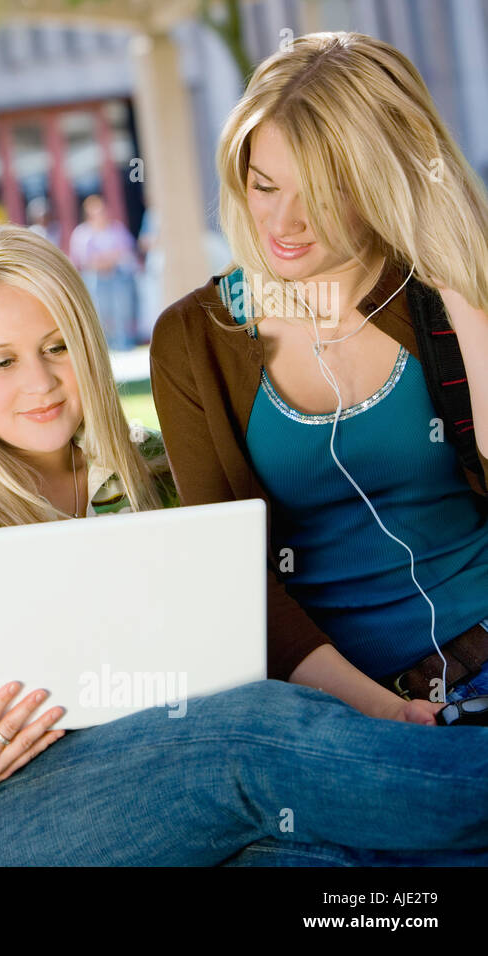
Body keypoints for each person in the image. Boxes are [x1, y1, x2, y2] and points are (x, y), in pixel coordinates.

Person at [0, 224, 488, 865]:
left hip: (165, 780)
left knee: (307, 855)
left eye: (58, 346)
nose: (39, 381)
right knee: (249, 733)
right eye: (1, 361)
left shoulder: (144, 468)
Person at [150, 32, 488, 723]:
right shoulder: (194, 342)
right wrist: (382, 714)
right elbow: (234, 576)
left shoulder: (442, 294)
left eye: (325, 192)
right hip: (334, 708)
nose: (283, 223)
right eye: (263, 184)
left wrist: (460, 276)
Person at [69, 194, 139, 351]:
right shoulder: (82, 233)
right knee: (102, 313)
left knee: (122, 311)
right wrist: (106, 258)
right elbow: (83, 259)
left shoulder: (116, 228)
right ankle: (108, 348)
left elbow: (126, 250)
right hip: (96, 279)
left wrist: (106, 259)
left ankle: (125, 345)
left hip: (117, 277)